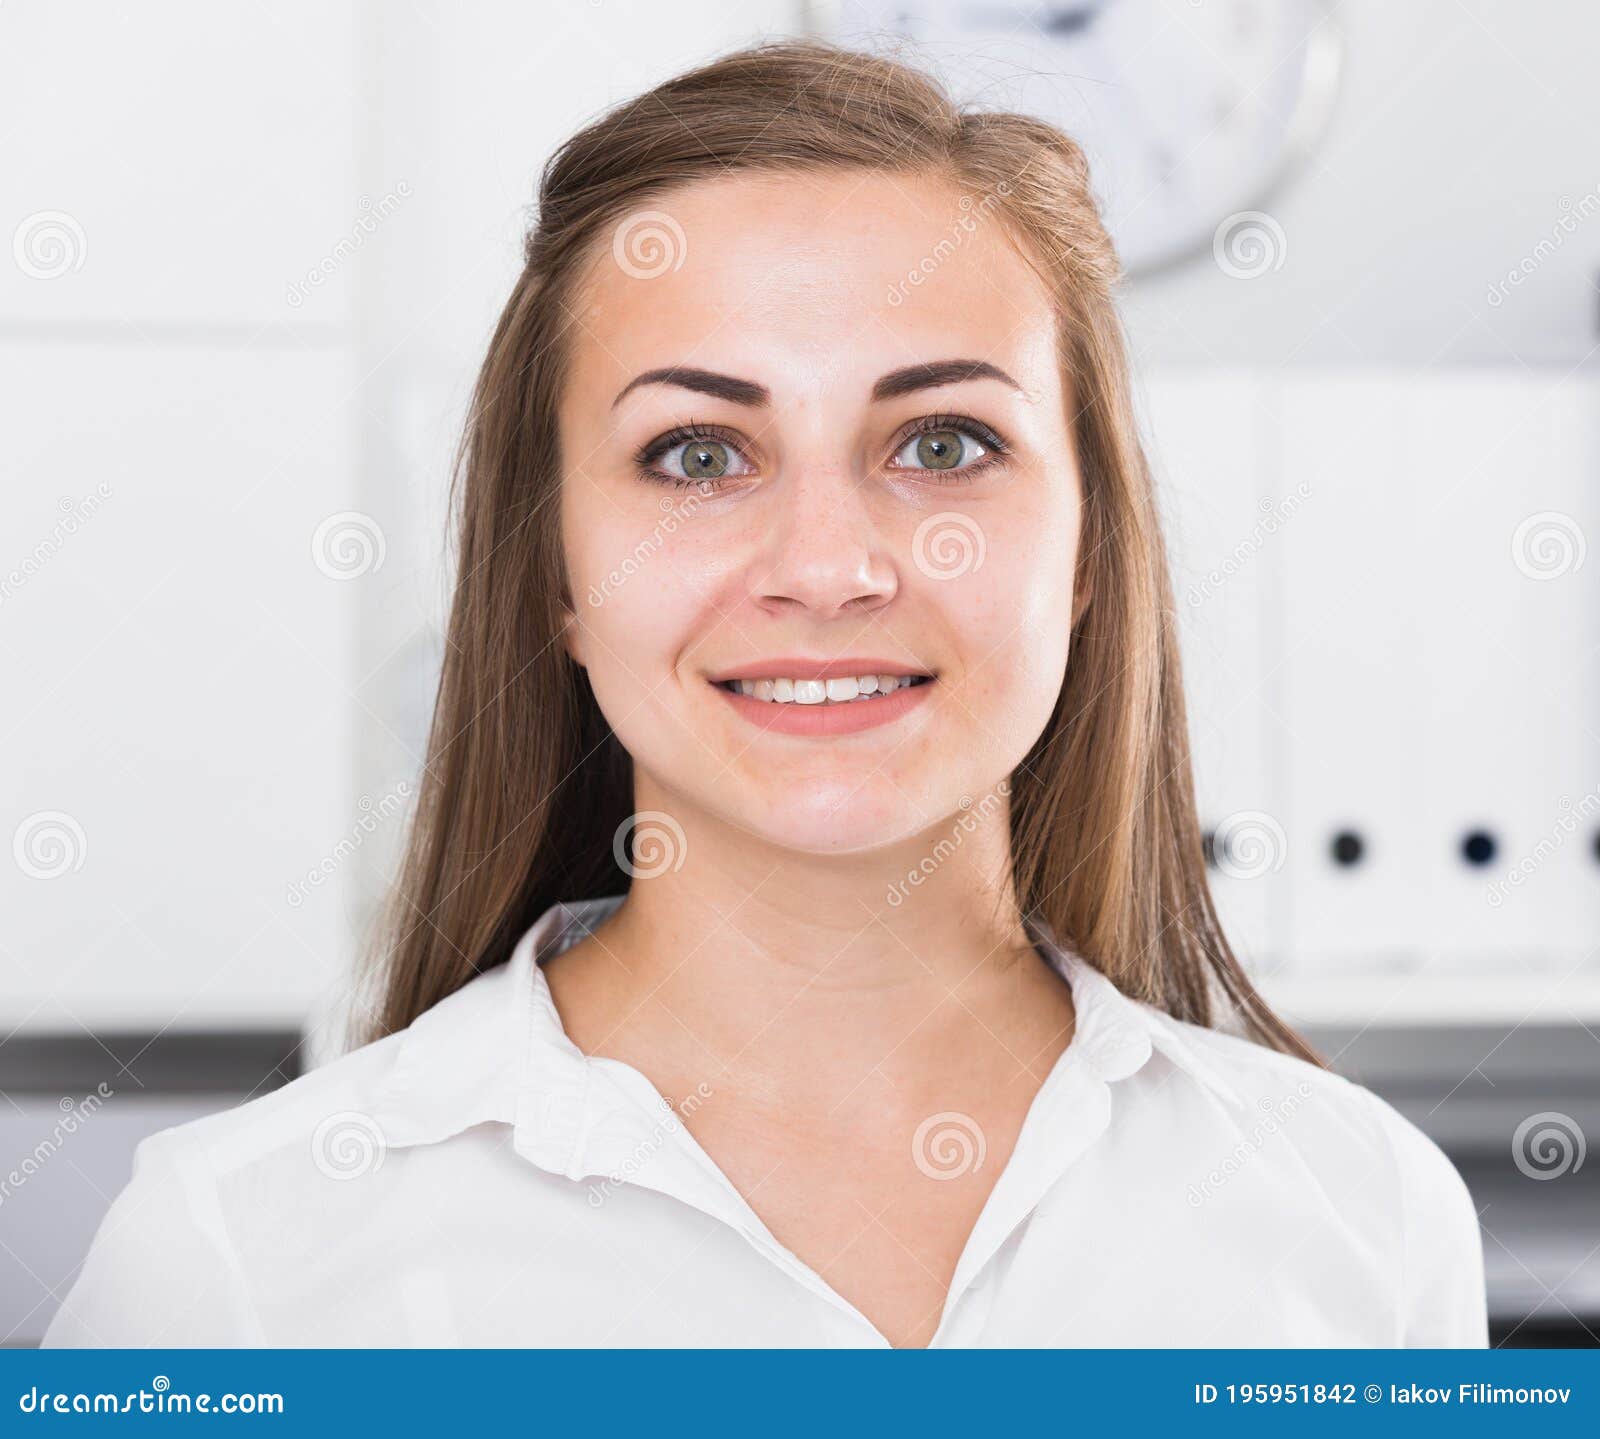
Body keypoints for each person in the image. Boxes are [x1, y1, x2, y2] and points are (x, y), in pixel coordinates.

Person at [45, 38, 1487, 1349]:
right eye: (696, 455)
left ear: (1091, 547)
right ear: (550, 568)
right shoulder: (237, 1269)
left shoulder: (1360, 1224)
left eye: (940, 443)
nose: (828, 566)